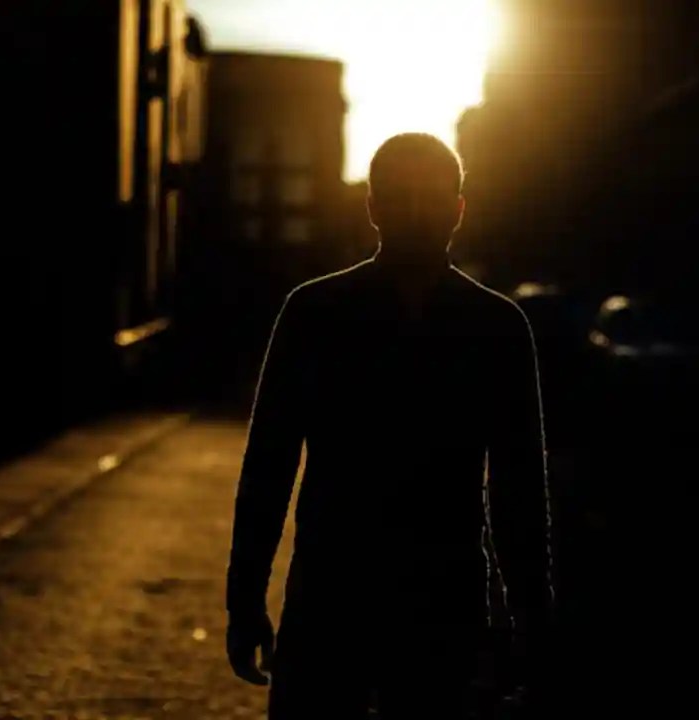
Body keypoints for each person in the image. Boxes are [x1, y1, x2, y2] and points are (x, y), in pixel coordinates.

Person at [225, 133, 553, 718]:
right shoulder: (490, 326)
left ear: (457, 208)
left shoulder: (320, 312)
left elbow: (520, 489)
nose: (417, 213)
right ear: (373, 206)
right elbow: (267, 468)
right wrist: (244, 597)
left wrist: (530, 614)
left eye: (429, 198)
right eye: (401, 197)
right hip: (353, 600)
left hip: (406, 602)